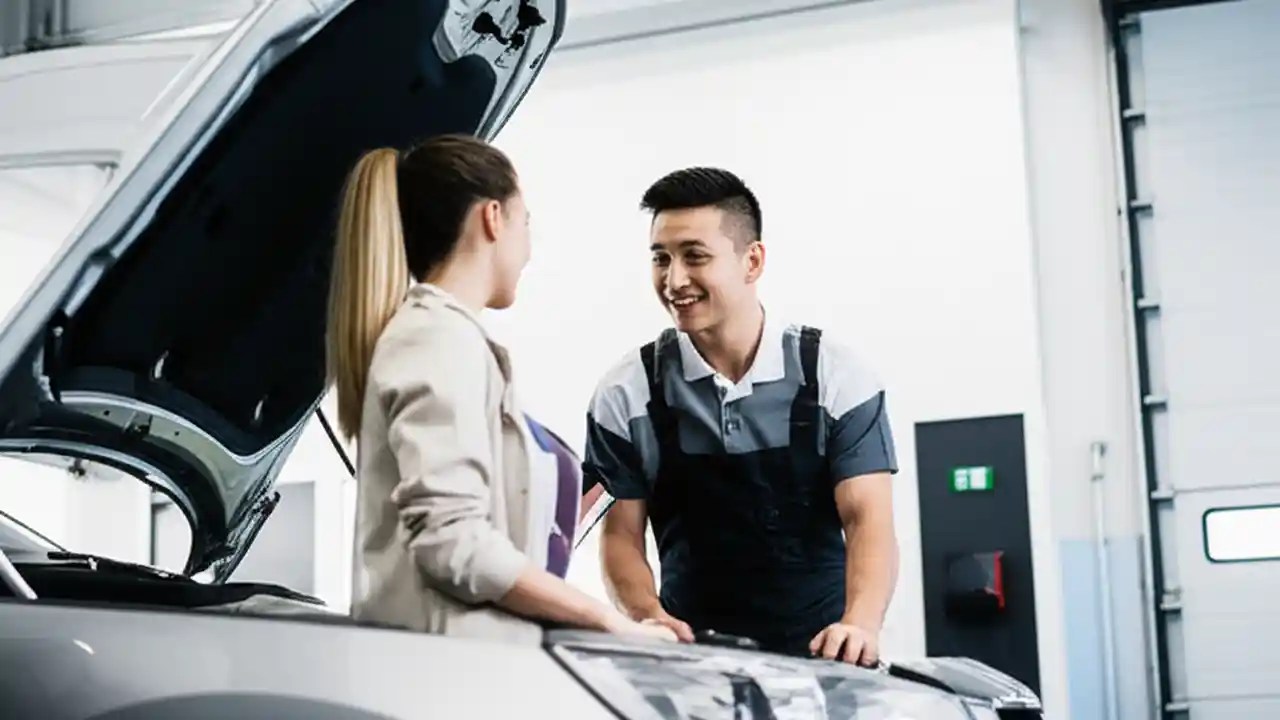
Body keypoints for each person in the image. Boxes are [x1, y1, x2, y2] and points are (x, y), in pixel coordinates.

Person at [326, 134, 675, 645]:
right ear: (493, 218)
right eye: (525, 221)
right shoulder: (435, 338)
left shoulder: (447, 337)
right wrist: (609, 621)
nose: (529, 249)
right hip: (445, 676)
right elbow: (453, 540)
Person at [584, 167, 899, 663]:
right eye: (661, 259)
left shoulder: (836, 376)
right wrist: (647, 615)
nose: (674, 279)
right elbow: (621, 533)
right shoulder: (627, 392)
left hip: (824, 664)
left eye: (695, 257)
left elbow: (869, 520)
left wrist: (860, 625)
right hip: (691, 667)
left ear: (752, 261)